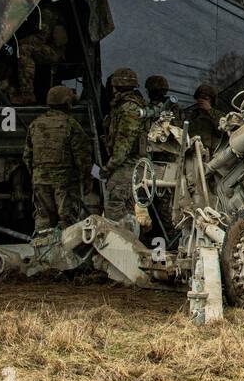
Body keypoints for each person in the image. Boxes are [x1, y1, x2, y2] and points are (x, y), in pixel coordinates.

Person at [22, 85, 90, 238]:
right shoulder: (71, 125)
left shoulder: (35, 124)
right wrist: (86, 178)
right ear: (67, 103)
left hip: (40, 180)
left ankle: (43, 252)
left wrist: (37, 174)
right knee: (68, 220)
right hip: (64, 182)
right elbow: (82, 157)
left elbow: (27, 156)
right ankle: (68, 254)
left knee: (43, 219)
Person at [102, 67, 147, 232]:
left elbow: (123, 145)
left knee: (114, 203)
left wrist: (108, 168)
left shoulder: (128, 108)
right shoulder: (126, 106)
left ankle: (120, 245)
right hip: (132, 165)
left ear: (115, 86)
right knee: (127, 207)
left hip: (128, 165)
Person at [12, 20, 69, 105]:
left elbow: (39, 39)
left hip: (55, 51)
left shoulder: (47, 14)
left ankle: (27, 95)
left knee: (24, 50)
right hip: (42, 48)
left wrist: (15, 42)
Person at [184, 84, 226, 152]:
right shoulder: (191, 115)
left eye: (205, 98)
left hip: (212, 153)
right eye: (199, 97)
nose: (201, 100)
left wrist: (209, 110)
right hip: (193, 152)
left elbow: (222, 133)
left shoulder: (219, 115)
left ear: (211, 100)